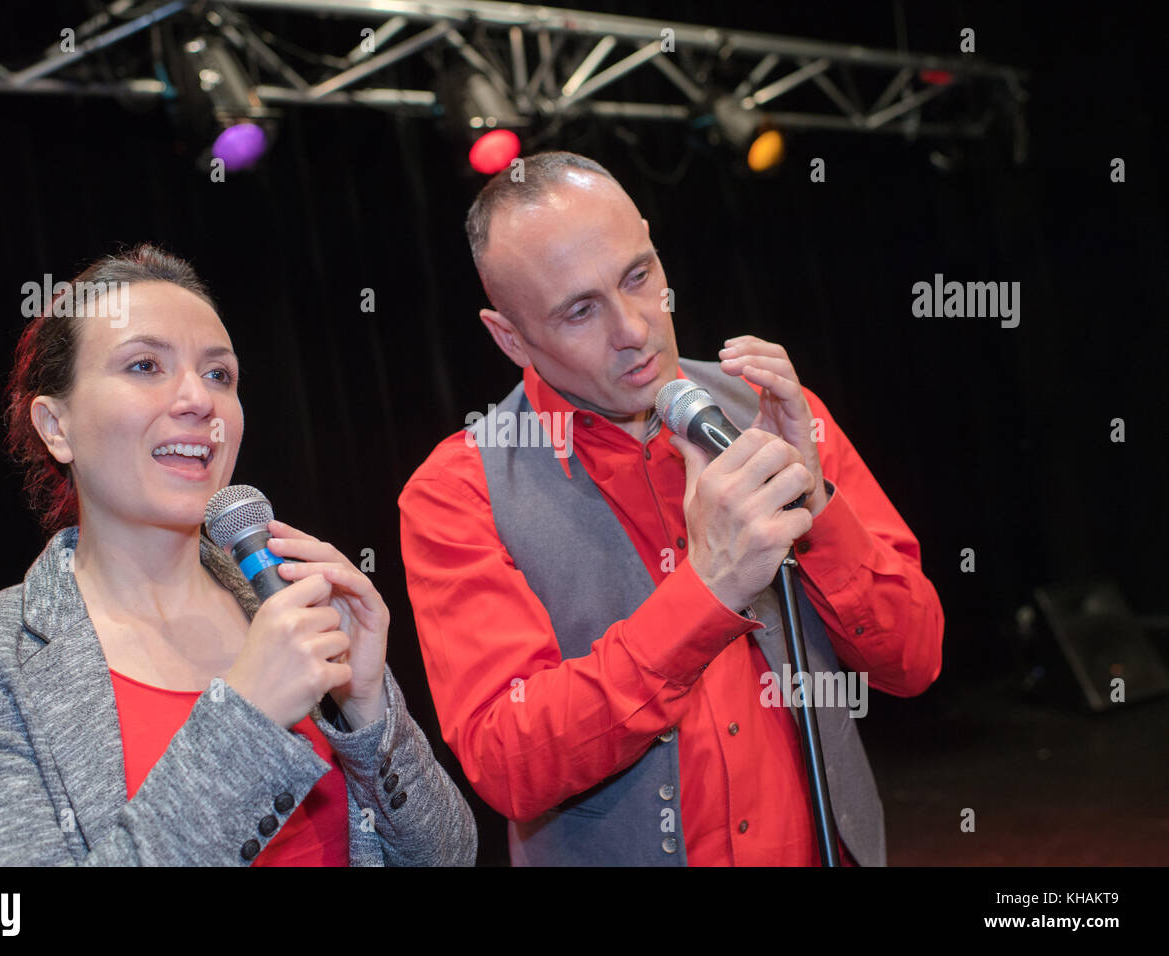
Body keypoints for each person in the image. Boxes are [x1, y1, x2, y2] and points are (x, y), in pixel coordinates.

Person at [398, 151, 944, 866]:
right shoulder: (457, 489)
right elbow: (510, 761)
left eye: (638, 276)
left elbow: (913, 661)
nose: (634, 328)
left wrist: (817, 506)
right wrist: (707, 591)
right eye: (580, 310)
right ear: (510, 337)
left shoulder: (778, 415)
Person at [0, 244, 476, 866]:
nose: (199, 401)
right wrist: (247, 720)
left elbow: (448, 856)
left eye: (218, 374)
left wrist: (366, 711)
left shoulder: (283, 605)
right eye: (145, 366)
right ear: (55, 426)